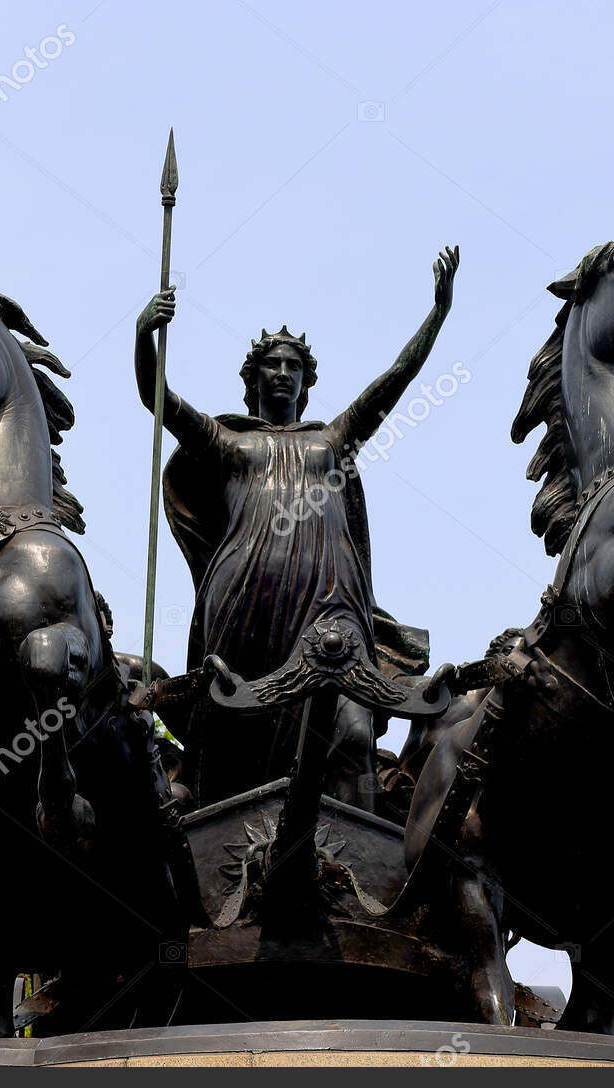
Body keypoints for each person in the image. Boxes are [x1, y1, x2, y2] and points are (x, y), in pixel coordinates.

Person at [134, 248, 460, 808]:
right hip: (244, 605)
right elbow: (157, 398)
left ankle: (355, 838)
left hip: (330, 603)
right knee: (234, 734)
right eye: (273, 365)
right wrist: (144, 334)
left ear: (306, 382)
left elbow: (393, 382)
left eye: (293, 367)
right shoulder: (229, 442)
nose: (283, 373)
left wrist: (437, 314)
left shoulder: (331, 439)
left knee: (351, 731)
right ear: (253, 377)